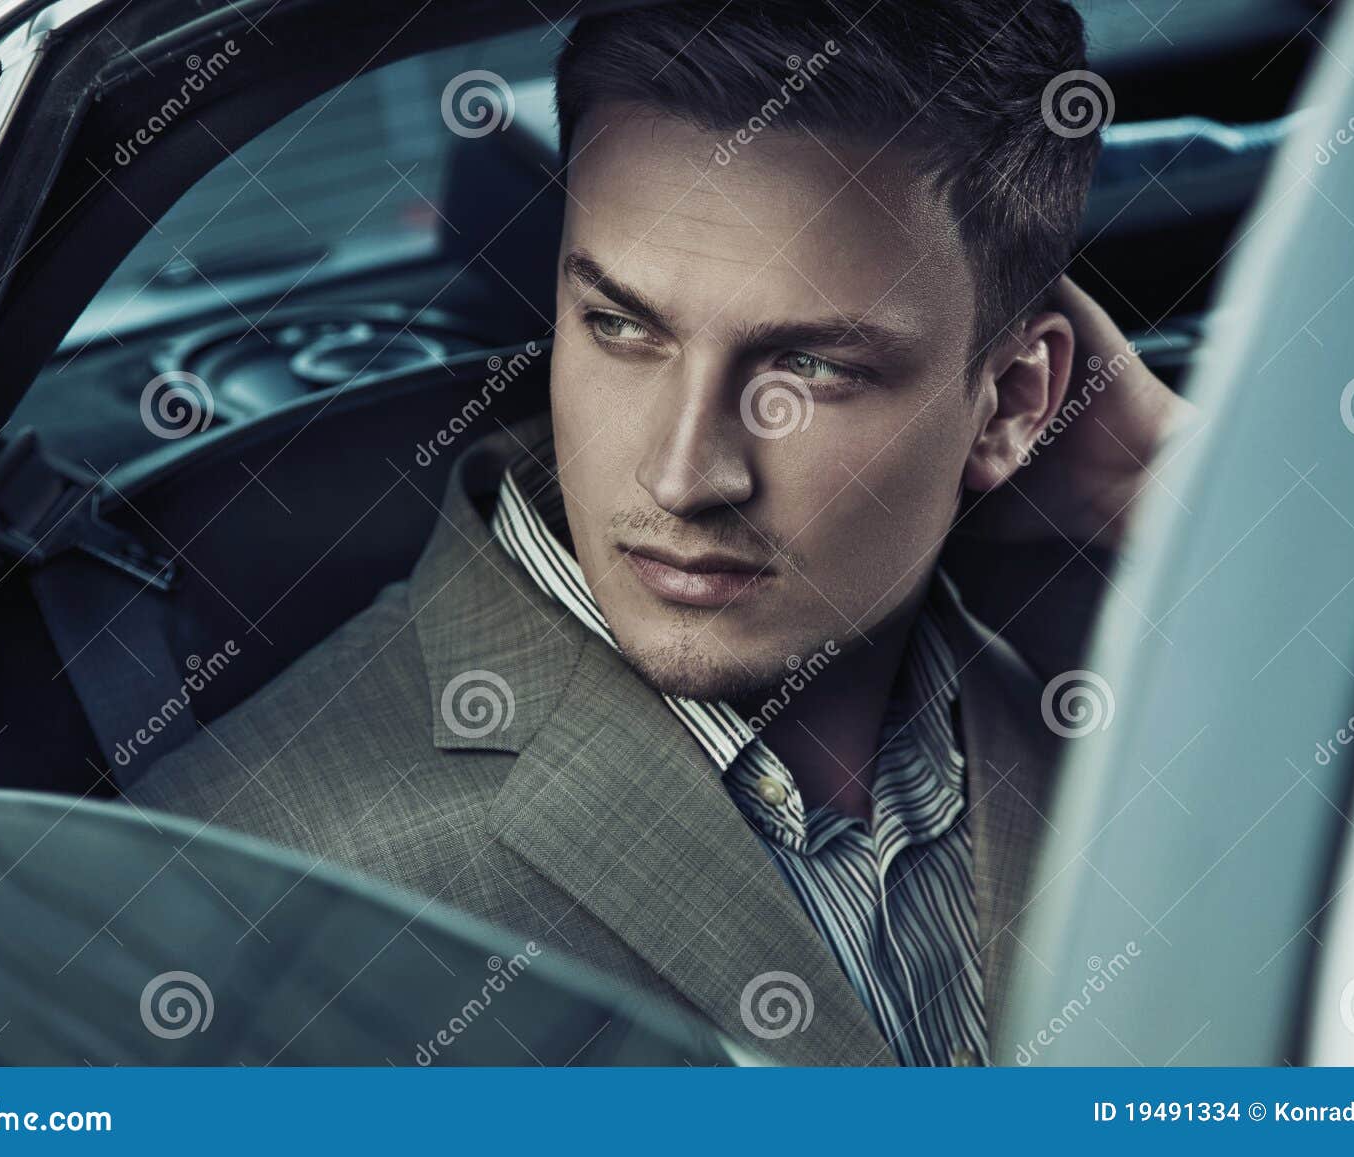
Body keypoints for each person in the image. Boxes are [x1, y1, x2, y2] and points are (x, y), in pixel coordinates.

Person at [129, 0, 1193, 1065]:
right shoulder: (227, 894)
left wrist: (1164, 480)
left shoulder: (1176, 669)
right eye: (622, 325)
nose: (683, 477)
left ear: (1009, 401)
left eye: (809, 367)